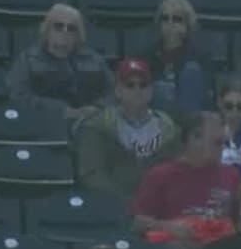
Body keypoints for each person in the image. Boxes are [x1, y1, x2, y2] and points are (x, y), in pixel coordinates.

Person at [75, 59, 180, 200]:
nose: (137, 91)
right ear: (118, 91)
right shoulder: (97, 127)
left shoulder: (170, 128)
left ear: (151, 90)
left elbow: (178, 171)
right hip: (113, 207)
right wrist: (123, 200)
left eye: (143, 85)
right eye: (130, 85)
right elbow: (92, 174)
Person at [132, 111, 241, 241]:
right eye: (217, 143)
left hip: (219, 247)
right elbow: (138, 223)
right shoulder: (160, 175)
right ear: (194, 138)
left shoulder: (232, 176)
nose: (222, 147)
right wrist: (168, 227)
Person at [5, 4, 113, 123]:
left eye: (71, 28)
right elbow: (17, 96)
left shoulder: (95, 60)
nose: (64, 32)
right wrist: (61, 110)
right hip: (42, 123)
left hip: (90, 124)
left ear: (78, 35)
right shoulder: (27, 60)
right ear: (47, 30)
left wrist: (96, 108)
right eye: (58, 26)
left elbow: (115, 92)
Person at [129, 0, 211, 113]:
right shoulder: (144, 55)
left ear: (187, 24)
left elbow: (204, 95)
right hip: (154, 115)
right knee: (160, 89)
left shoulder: (201, 56)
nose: (170, 23)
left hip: (188, 114)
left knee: (191, 71)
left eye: (177, 19)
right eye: (165, 18)